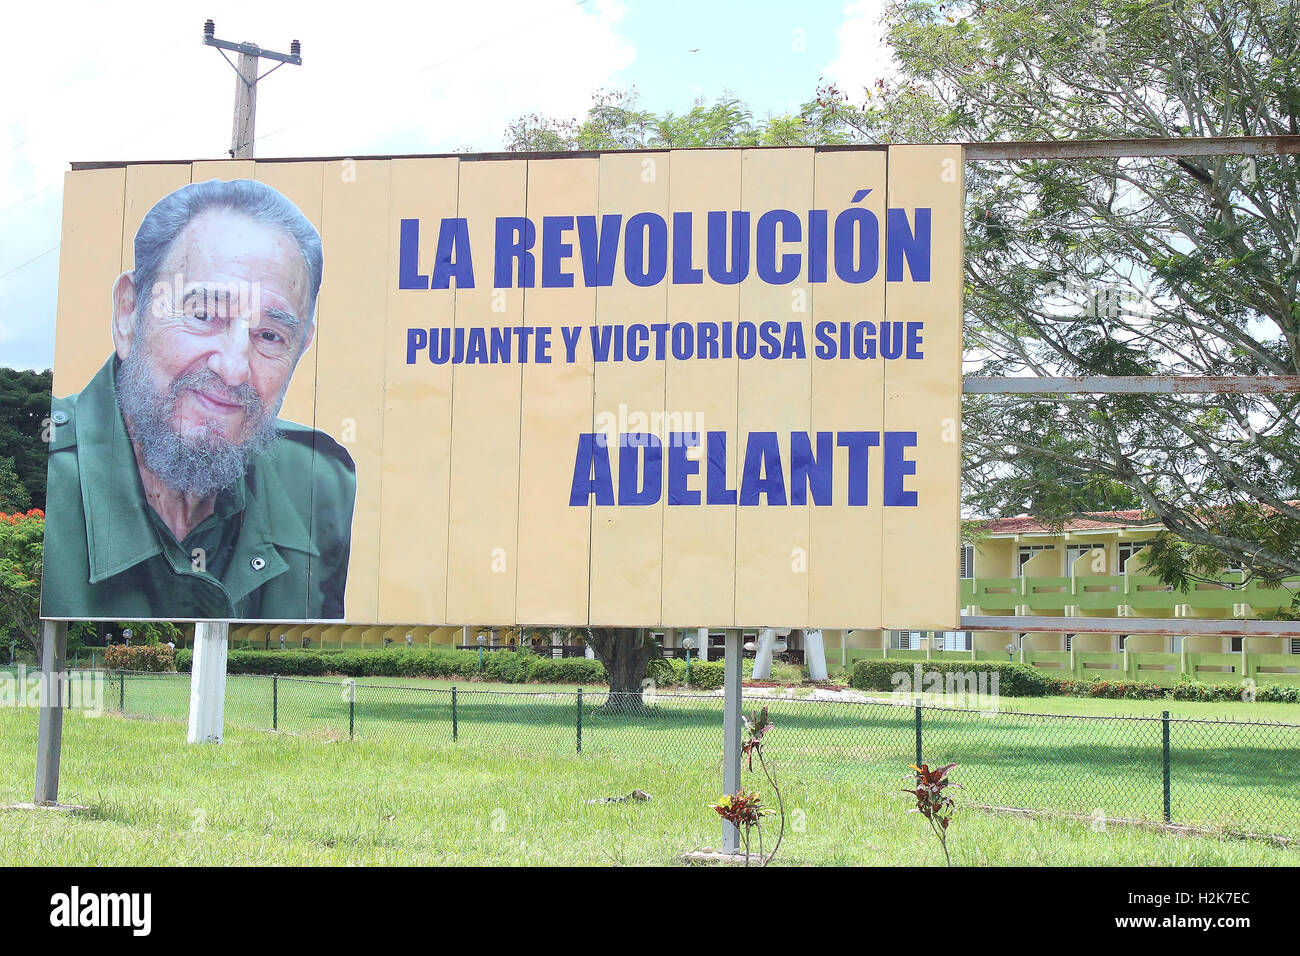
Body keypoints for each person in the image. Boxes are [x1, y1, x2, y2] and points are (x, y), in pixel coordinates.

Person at [42, 179, 356, 620]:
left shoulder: (320, 482)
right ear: (129, 313)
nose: (232, 368)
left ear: (301, 346)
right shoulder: (36, 476)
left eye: (269, 335)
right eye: (204, 314)